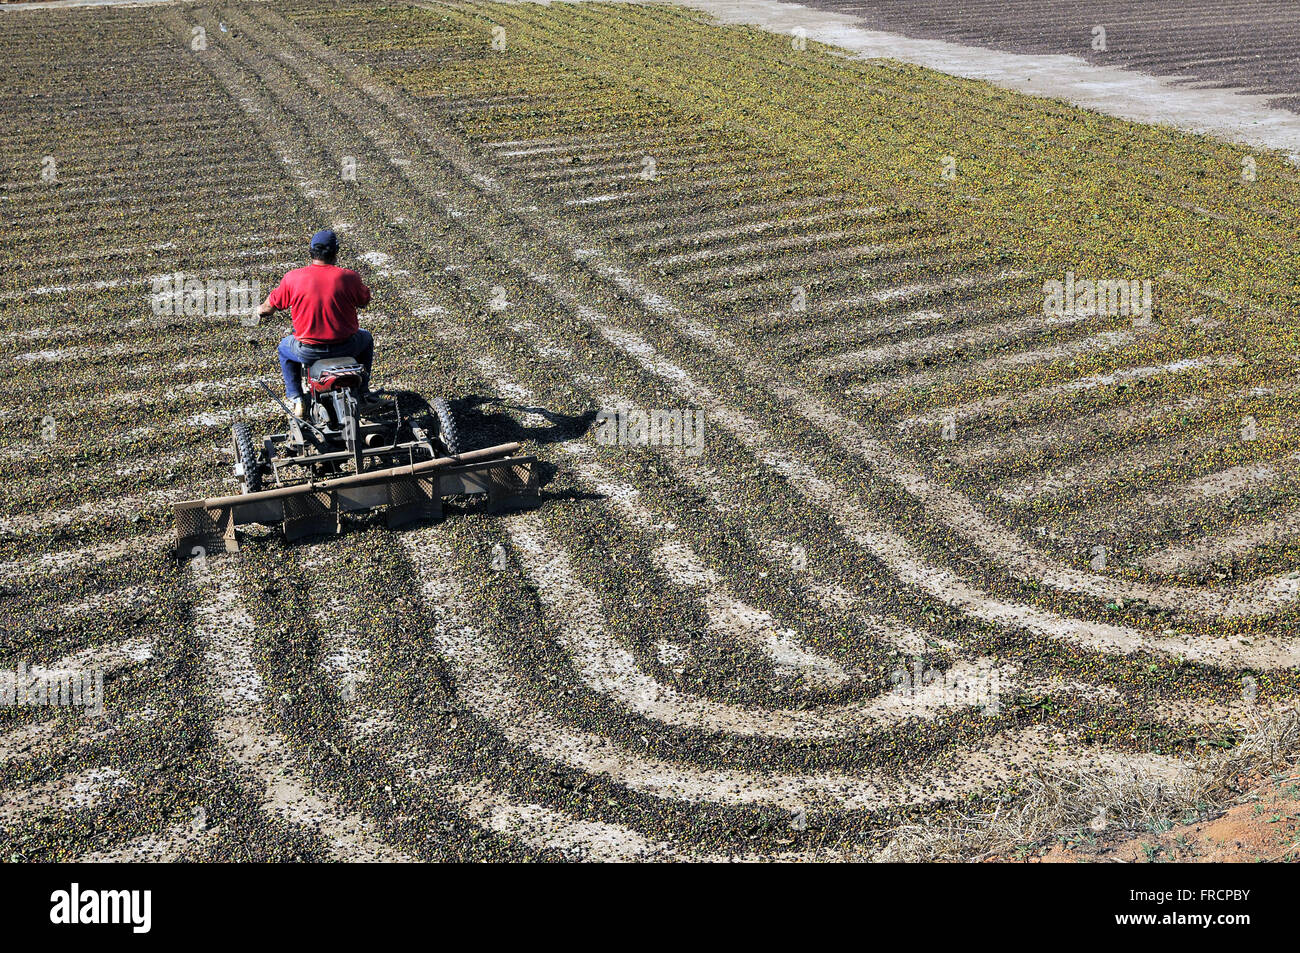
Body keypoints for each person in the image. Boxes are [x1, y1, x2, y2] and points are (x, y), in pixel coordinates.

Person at [256, 229, 380, 417]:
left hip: (309, 350)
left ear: (311, 252)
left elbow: (269, 307)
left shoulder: (293, 278)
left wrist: (259, 311)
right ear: (335, 252)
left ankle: (297, 399)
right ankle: (363, 392)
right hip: (347, 347)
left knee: (284, 348)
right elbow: (364, 301)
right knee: (366, 338)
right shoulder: (348, 277)